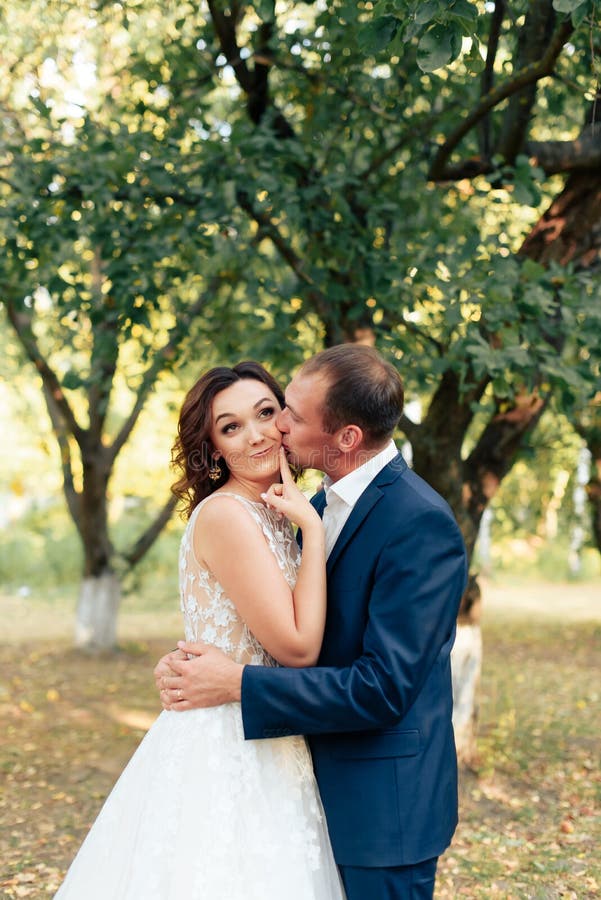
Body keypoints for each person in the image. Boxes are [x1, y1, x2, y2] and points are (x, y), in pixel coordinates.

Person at [155, 344, 469, 900]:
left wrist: (236, 682)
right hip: (295, 788)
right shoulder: (310, 508)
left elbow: (382, 688)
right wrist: (198, 654)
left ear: (345, 438)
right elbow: (270, 615)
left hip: (382, 811)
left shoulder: (420, 524)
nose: (275, 430)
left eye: (286, 415)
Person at [54, 361, 345, 900]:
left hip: (272, 732)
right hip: (229, 745)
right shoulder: (228, 516)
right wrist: (313, 527)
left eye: (264, 413)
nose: (256, 434)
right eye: (230, 427)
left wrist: (301, 520)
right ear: (213, 449)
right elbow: (299, 648)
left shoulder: (276, 510)